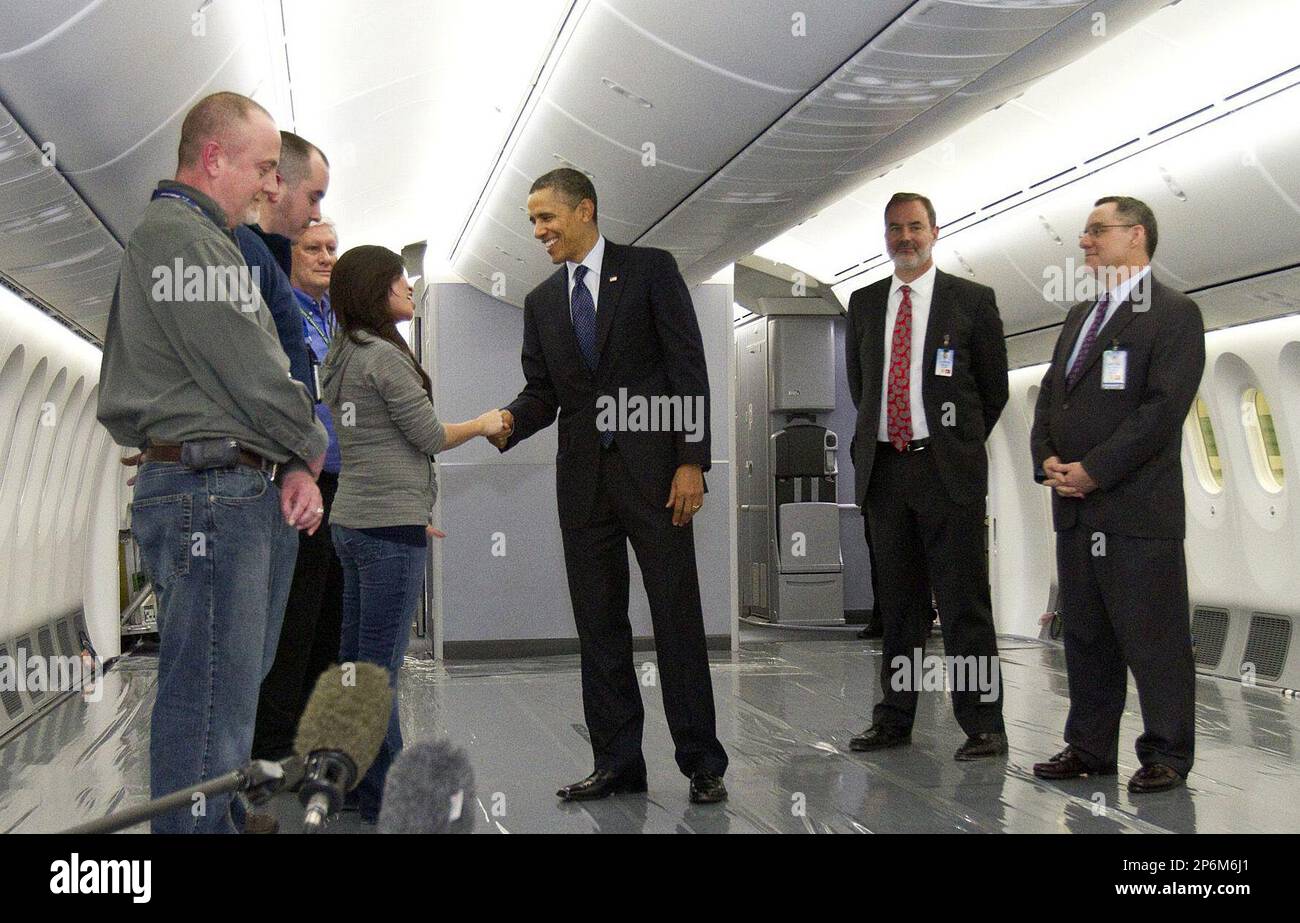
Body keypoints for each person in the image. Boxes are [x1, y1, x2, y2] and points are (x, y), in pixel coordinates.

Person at [96, 91, 327, 833]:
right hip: (209, 492)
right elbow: (257, 372)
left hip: (226, 484)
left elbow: (253, 376)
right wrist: (312, 446)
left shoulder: (205, 239)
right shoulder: (181, 240)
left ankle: (217, 818)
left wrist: (289, 459)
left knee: (226, 692)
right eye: (263, 167)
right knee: (207, 704)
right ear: (213, 158)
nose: (271, 183)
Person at [491, 168, 729, 804]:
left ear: (585, 210)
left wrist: (692, 461)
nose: (538, 231)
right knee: (599, 626)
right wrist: (511, 419)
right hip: (584, 485)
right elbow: (546, 391)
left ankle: (702, 762)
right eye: (533, 221)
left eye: (547, 218)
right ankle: (618, 761)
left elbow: (688, 369)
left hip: (658, 477)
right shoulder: (543, 301)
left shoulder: (650, 270)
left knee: (677, 617)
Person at [321, 244, 506, 823]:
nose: (408, 288)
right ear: (378, 291)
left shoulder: (341, 353)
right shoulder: (385, 358)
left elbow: (376, 446)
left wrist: (408, 505)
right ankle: (388, 795)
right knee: (379, 673)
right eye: (400, 281)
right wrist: (484, 423)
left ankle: (350, 780)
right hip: (385, 531)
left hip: (353, 521)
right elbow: (427, 436)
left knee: (355, 664)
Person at [1030, 196, 1204, 793]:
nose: (1084, 242)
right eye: (1083, 232)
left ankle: (1166, 754)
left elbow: (1161, 413)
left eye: (1096, 231)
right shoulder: (1080, 316)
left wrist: (1095, 469)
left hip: (1136, 510)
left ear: (1136, 236)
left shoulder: (1174, 314)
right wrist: (1046, 459)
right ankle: (1090, 747)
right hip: (1076, 510)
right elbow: (1053, 396)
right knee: (1086, 636)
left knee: (1154, 638)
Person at [844, 192, 1009, 760]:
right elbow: (860, 387)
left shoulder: (971, 301)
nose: (905, 238)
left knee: (964, 603)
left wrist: (954, 443)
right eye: (895, 229)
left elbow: (993, 390)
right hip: (887, 473)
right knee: (898, 606)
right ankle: (893, 718)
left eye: (915, 227)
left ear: (935, 231)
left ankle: (983, 723)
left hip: (947, 472)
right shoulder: (864, 304)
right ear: (885, 236)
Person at [249, 217, 343, 773]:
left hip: (340, 483)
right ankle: (274, 740)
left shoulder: (338, 319)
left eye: (333, 248)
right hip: (294, 481)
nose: (326, 257)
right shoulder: (281, 314)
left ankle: (314, 732)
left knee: (331, 610)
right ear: (289, 256)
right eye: (314, 248)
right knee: (295, 614)